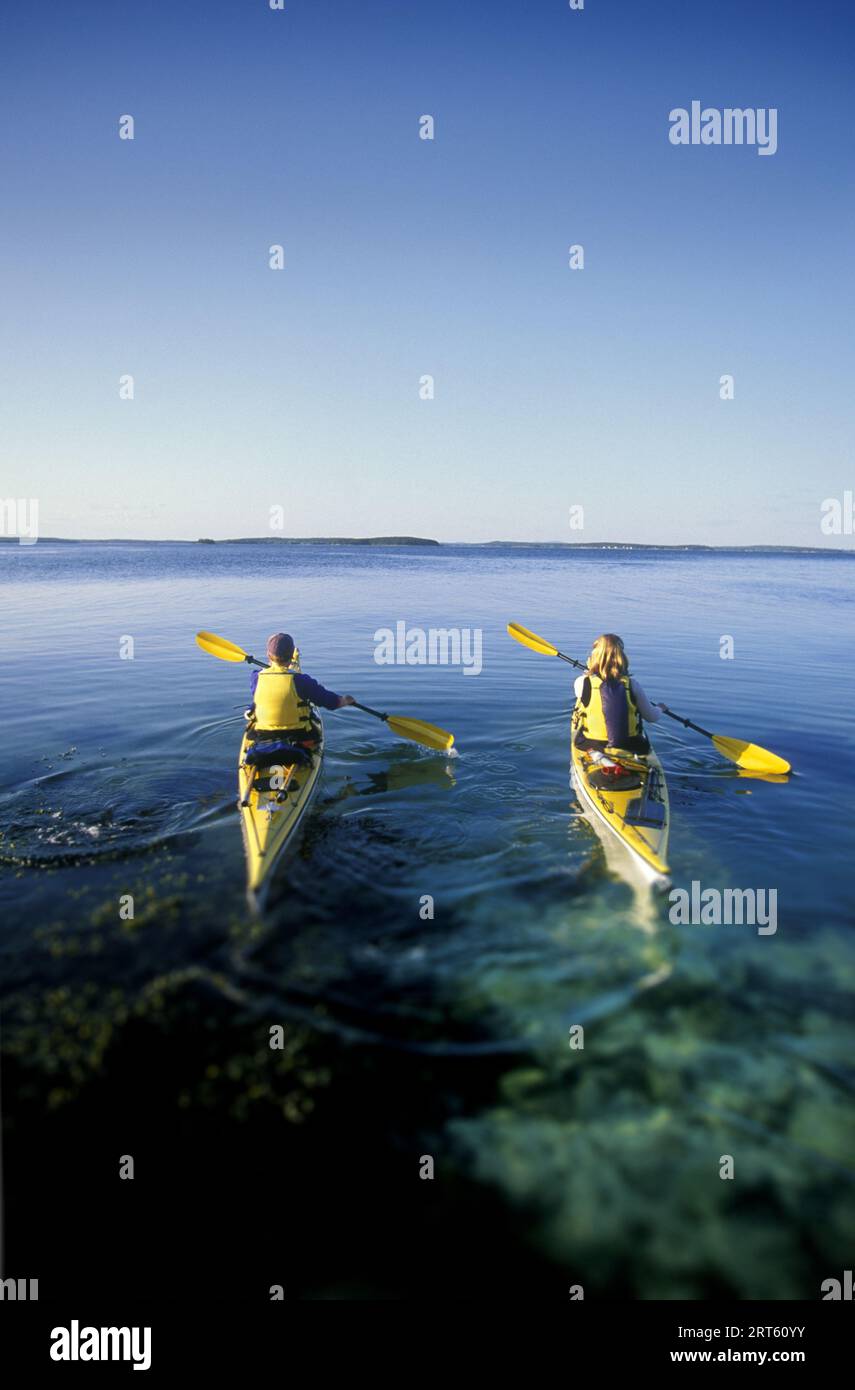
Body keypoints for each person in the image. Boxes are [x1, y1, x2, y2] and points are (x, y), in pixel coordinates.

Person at [573, 633, 665, 758]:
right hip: (631, 746)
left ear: (593, 658)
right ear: (622, 658)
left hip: (592, 745)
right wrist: (660, 708)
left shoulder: (581, 683)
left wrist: (589, 672)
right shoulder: (632, 685)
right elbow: (651, 717)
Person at [249, 632, 355, 734]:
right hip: (298, 734)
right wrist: (345, 700)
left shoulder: (256, 677)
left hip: (262, 733)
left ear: (268, 655)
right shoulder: (302, 681)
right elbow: (331, 702)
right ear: (292, 656)